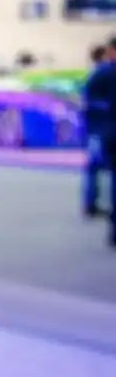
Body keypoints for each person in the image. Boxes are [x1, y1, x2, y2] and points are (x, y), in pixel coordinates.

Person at [82, 43, 116, 245]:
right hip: (106, 130)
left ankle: (92, 205)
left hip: (104, 130)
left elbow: (88, 101)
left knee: (98, 170)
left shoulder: (101, 73)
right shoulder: (105, 73)